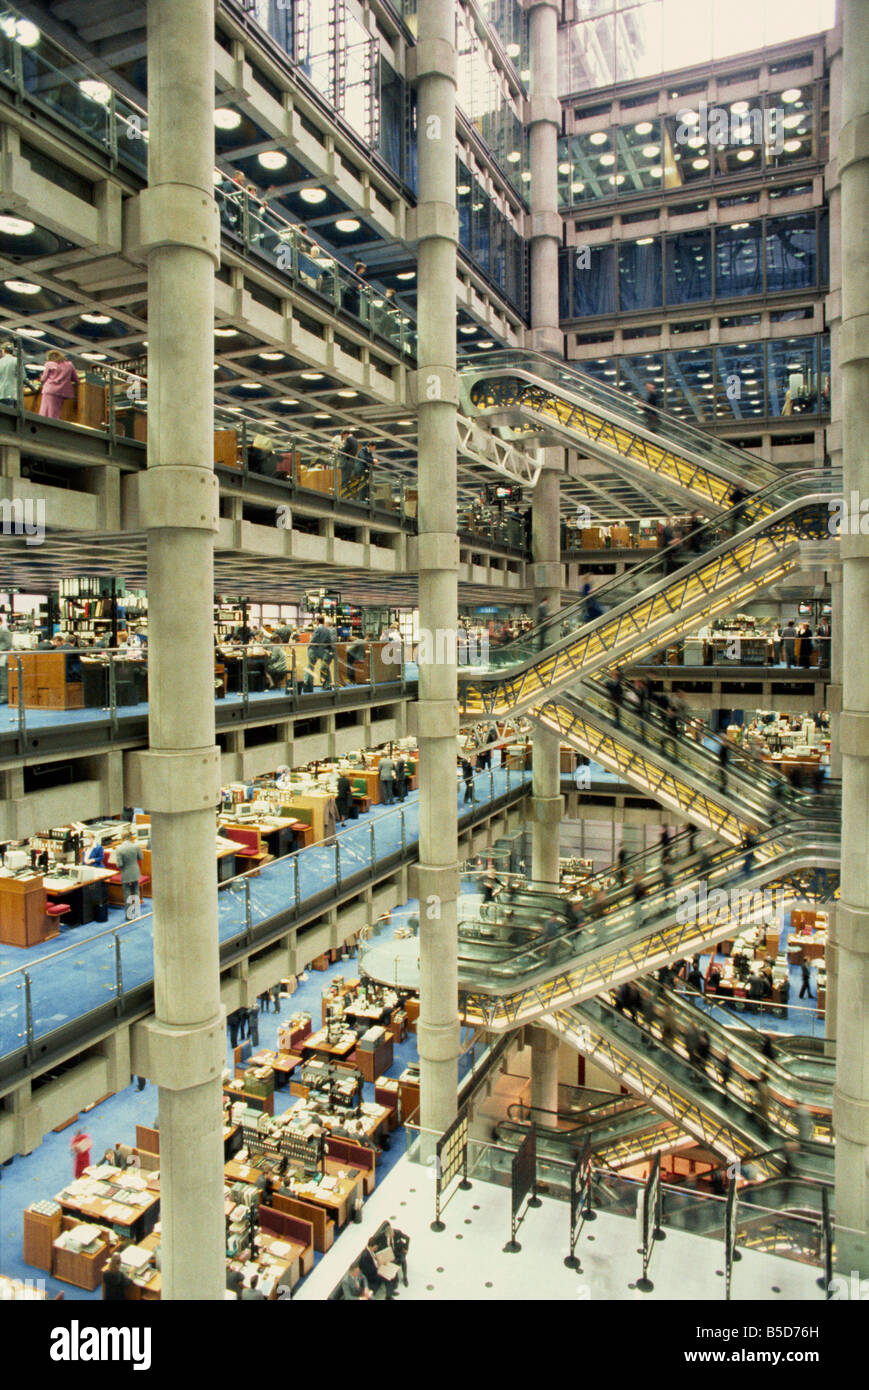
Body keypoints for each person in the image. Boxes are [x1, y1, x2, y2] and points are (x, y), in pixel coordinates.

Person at [38, 350, 79, 419]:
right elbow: (76, 379)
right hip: (62, 392)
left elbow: (43, 379)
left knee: (44, 412)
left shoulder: (49, 364)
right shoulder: (69, 365)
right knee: (55, 413)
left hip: (49, 390)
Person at [113, 830, 144, 919]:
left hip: (125, 873)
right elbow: (141, 857)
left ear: (122, 838)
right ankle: (137, 912)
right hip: (135, 871)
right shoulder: (136, 846)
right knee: (136, 891)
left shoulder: (119, 849)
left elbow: (120, 865)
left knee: (127, 894)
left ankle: (129, 915)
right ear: (130, 837)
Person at [303, 615, 337, 692]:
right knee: (325, 668)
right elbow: (329, 640)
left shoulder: (318, 629)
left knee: (310, 667)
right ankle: (327, 684)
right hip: (325, 651)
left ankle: (308, 685)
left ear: (317, 621)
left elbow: (313, 640)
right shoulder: (327, 630)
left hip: (315, 650)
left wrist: (309, 646)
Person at [377, 1222, 409, 1287]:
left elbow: (407, 1238)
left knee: (403, 1260)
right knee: (391, 1264)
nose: (392, 1237)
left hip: (399, 1251)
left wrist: (406, 1248)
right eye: (390, 1236)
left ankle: (405, 1277)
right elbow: (376, 1244)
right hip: (389, 1253)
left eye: (392, 1235)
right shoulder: (382, 1236)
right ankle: (395, 1280)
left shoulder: (397, 1233)